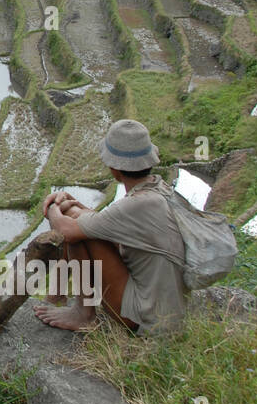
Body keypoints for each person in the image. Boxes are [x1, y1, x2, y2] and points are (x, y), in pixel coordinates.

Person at [32, 119, 189, 335]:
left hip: (146, 314)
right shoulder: (156, 191)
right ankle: (57, 295)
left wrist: (52, 207)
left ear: (115, 170)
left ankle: (83, 313)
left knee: (74, 230)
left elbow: (66, 230)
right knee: (77, 217)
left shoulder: (136, 204)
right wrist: (73, 204)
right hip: (164, 306)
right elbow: (106, 223)